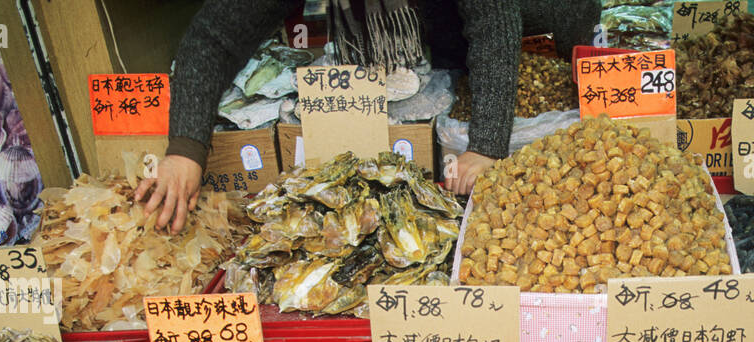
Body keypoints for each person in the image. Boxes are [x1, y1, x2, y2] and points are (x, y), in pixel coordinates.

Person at [136, 0, 601, 233]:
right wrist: (185, 150)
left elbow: (493, 25)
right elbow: (215, 36)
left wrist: (486, 146)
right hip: (418, 42)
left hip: (541, 21)